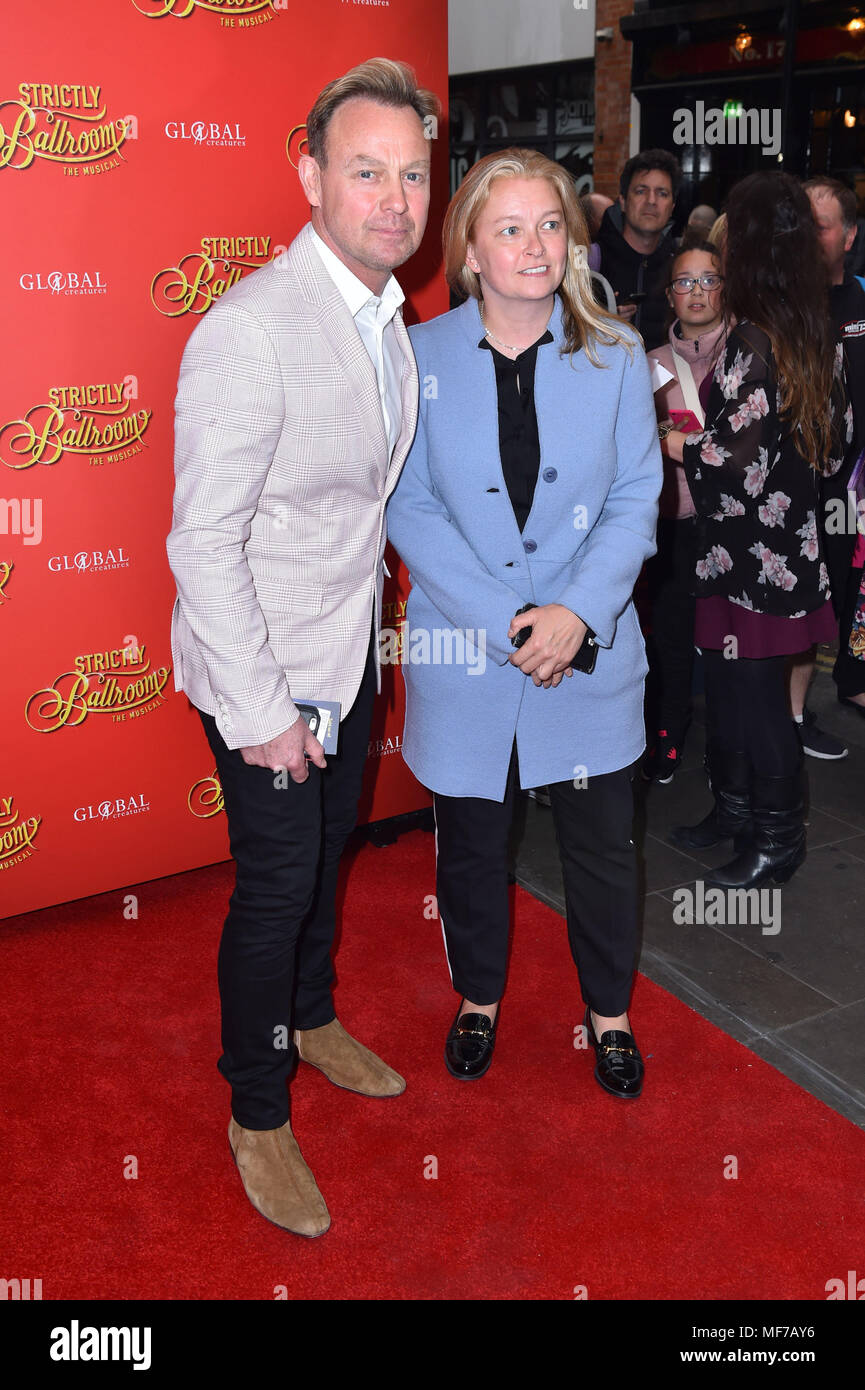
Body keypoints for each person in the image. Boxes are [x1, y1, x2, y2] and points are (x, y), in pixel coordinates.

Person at [166, 58, 438, 1237]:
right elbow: (202, 542)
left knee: (329, 863)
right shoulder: (252, 328)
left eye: (413, 175)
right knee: (276, 887)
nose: (393, 197)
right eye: (366, 170)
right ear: (311, 175)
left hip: (344, 662)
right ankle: (257, 1105)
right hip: (261, 675)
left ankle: (313, 1015)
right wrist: (265, 708)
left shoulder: (390, 316)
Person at [386, 148, 662, 1098]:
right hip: (466, 656)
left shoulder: (619, 354)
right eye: (507, 228)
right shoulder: (416, 357)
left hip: (588, 659)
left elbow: (636, 498)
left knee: (600, 847)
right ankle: (478, 999)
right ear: (469, 249)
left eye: (549, 225)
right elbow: (409, 507)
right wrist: (512, 620)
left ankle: (610, 1017)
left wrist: (575, 615)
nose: (533, 245)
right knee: (470, 847)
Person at [665, 172, 850, 889]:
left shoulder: (751, 338)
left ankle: (775, 839)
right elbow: (838, 447)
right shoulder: (812, 326)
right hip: (770, 551)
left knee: (753, 700)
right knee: (742, 694)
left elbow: (724, 458)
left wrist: (664, 438)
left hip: (749, 556)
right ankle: (736, 813)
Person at [642, 240, 727, 783]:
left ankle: (730, 752)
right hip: (673, 523)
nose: (695, 291)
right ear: (669, 294)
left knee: (729, 646)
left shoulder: (748, 352)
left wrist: (675, 434)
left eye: (708, 279)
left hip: (735, 528)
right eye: (684, 282)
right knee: (670, 641)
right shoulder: (650, 364)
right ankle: (667, 740)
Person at [805, 177, 865, 725]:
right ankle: (789, 718)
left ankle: (853, 680)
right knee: (801, 606)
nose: (806, 235)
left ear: (848, 236)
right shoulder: (778, 309)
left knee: (853, 593)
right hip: (794, 491)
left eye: (819, 226)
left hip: (856, 487)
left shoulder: (862, 299)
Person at [595, 148, 681, 350]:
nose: (651, 201)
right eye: (641, 191)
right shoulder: (591, 264)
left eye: (662, 193)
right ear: (623, 202)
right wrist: (599, 322)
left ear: (672, 207)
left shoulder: (679, 268)